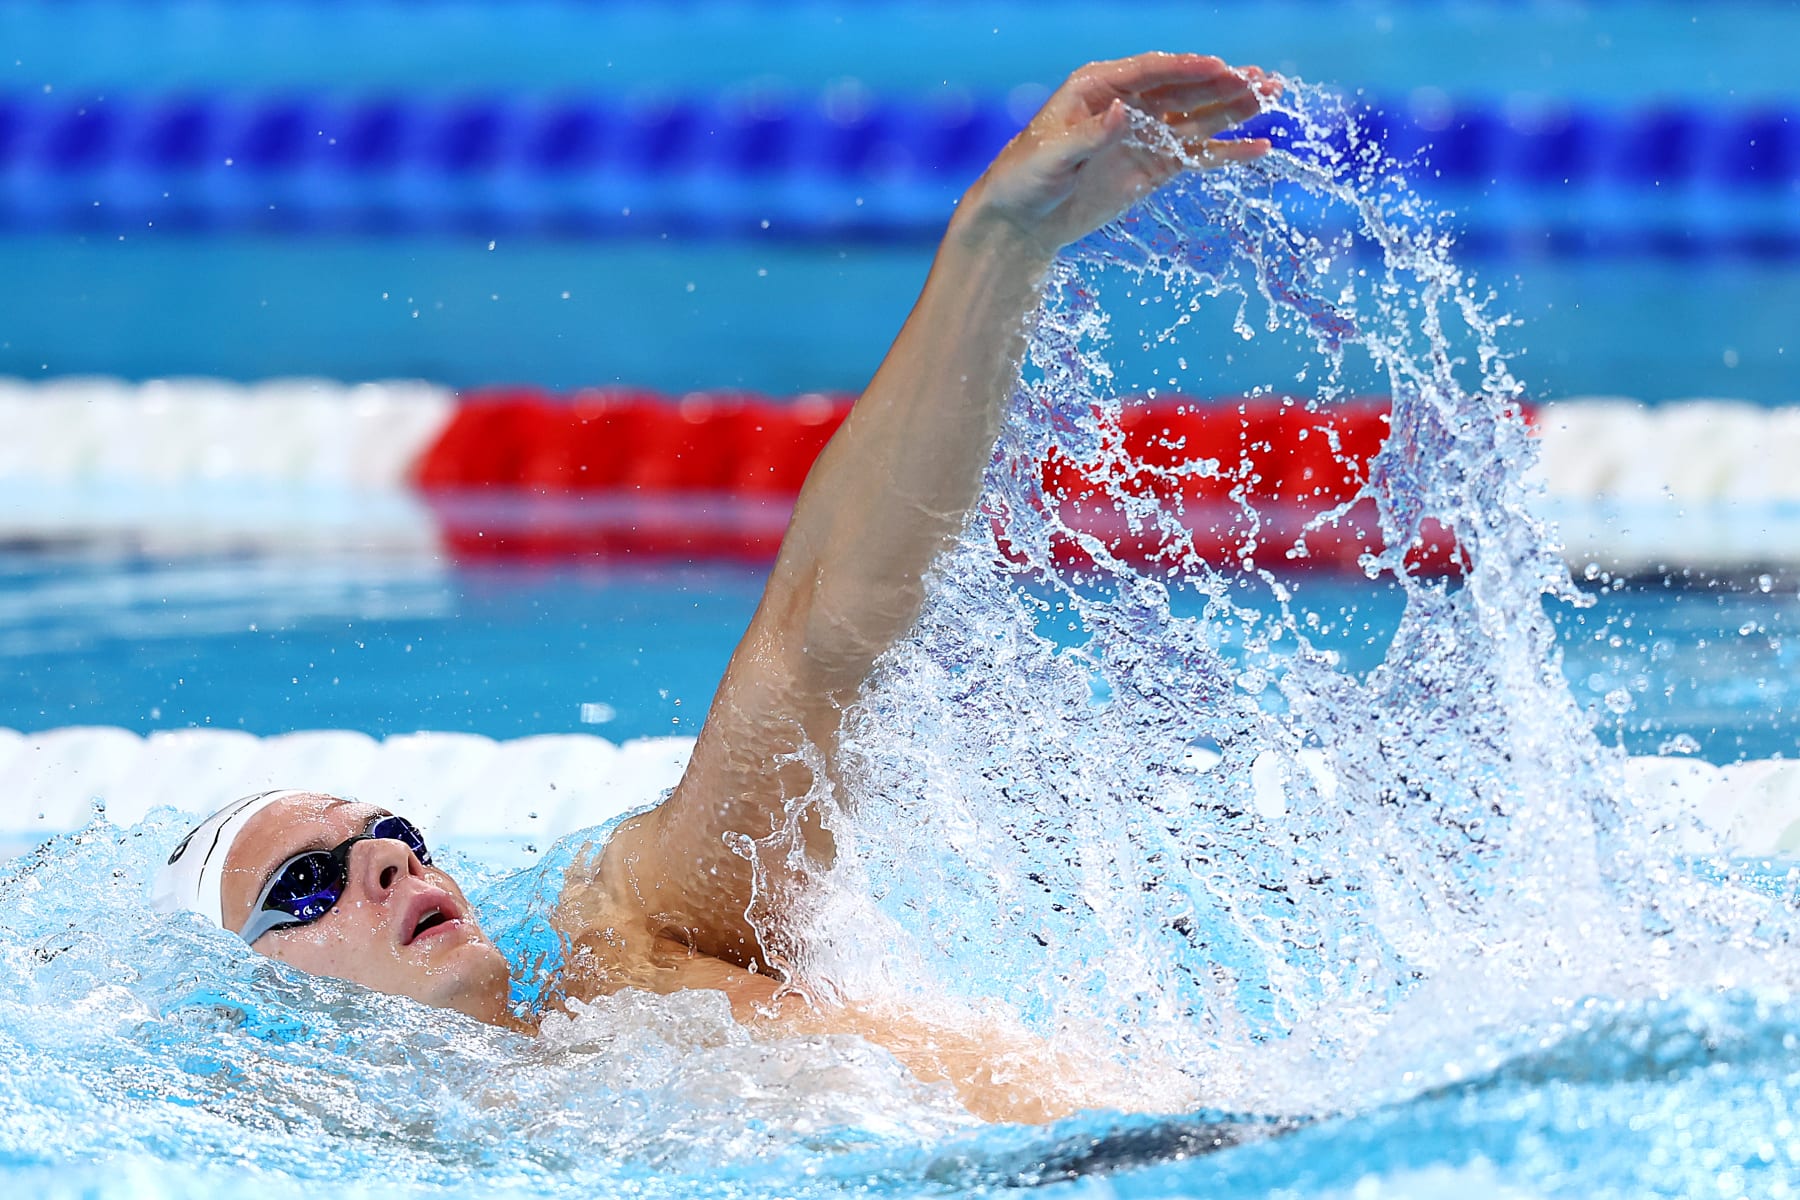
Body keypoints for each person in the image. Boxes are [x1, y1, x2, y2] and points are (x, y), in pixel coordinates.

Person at [152, 53, 1277, 1124]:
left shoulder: (627, 951)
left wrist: (998, 245)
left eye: (388, 831)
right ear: (250, 998)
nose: (391, 859)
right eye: (308, 883)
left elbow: (820, 639)